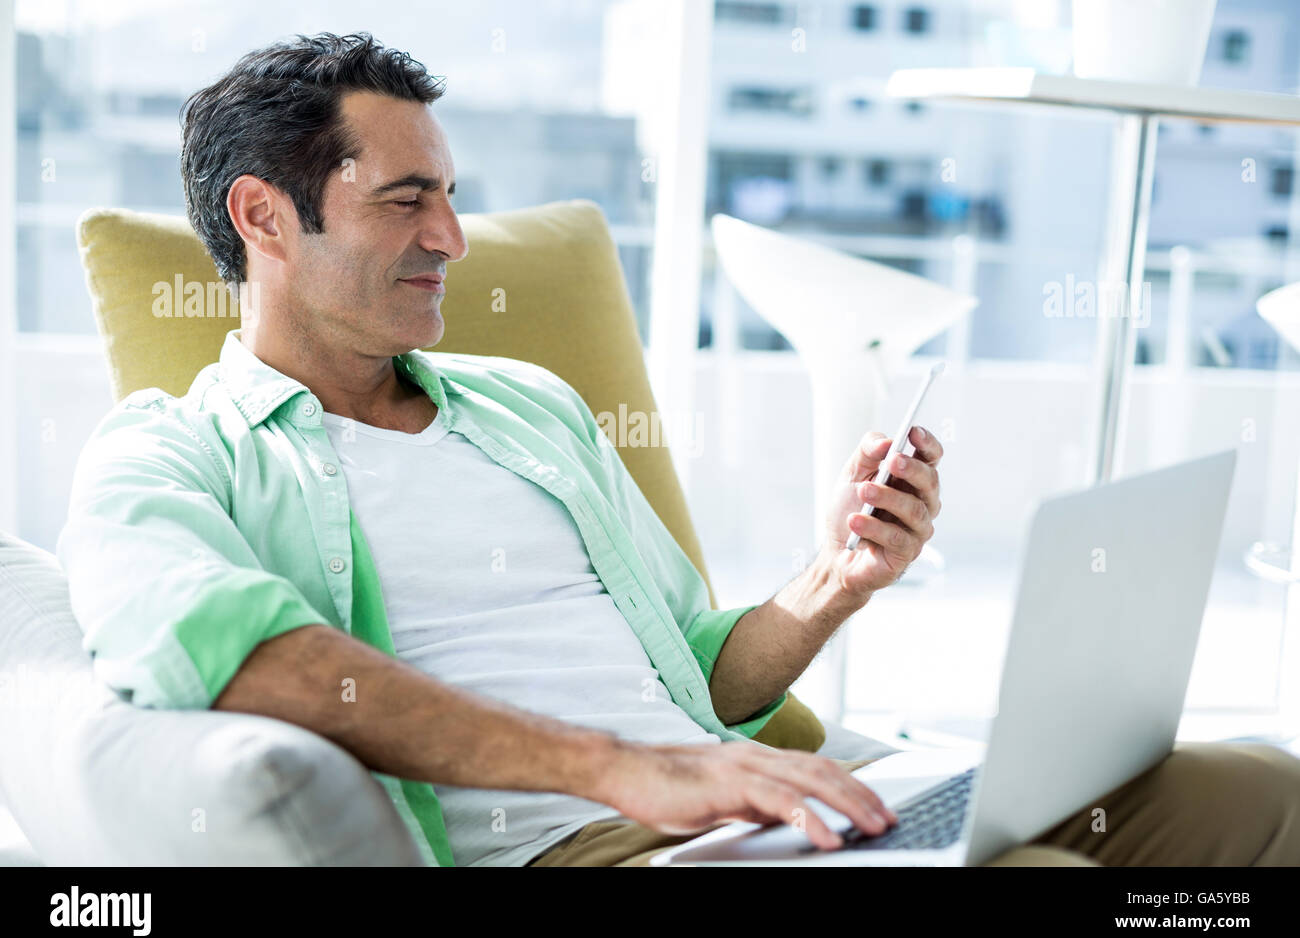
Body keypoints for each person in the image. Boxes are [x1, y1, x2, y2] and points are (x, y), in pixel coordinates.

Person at [59, 33, 1300, 868]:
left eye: (449, 193)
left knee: (1262, 789)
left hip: (725, 799)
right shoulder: (167, 456)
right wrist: (624, 771)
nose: (452, 235)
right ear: (263, 217)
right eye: (403, 200)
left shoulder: (525, 406)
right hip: (591, 843)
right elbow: (244, 659)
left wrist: (834, 578)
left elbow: (699, 674)